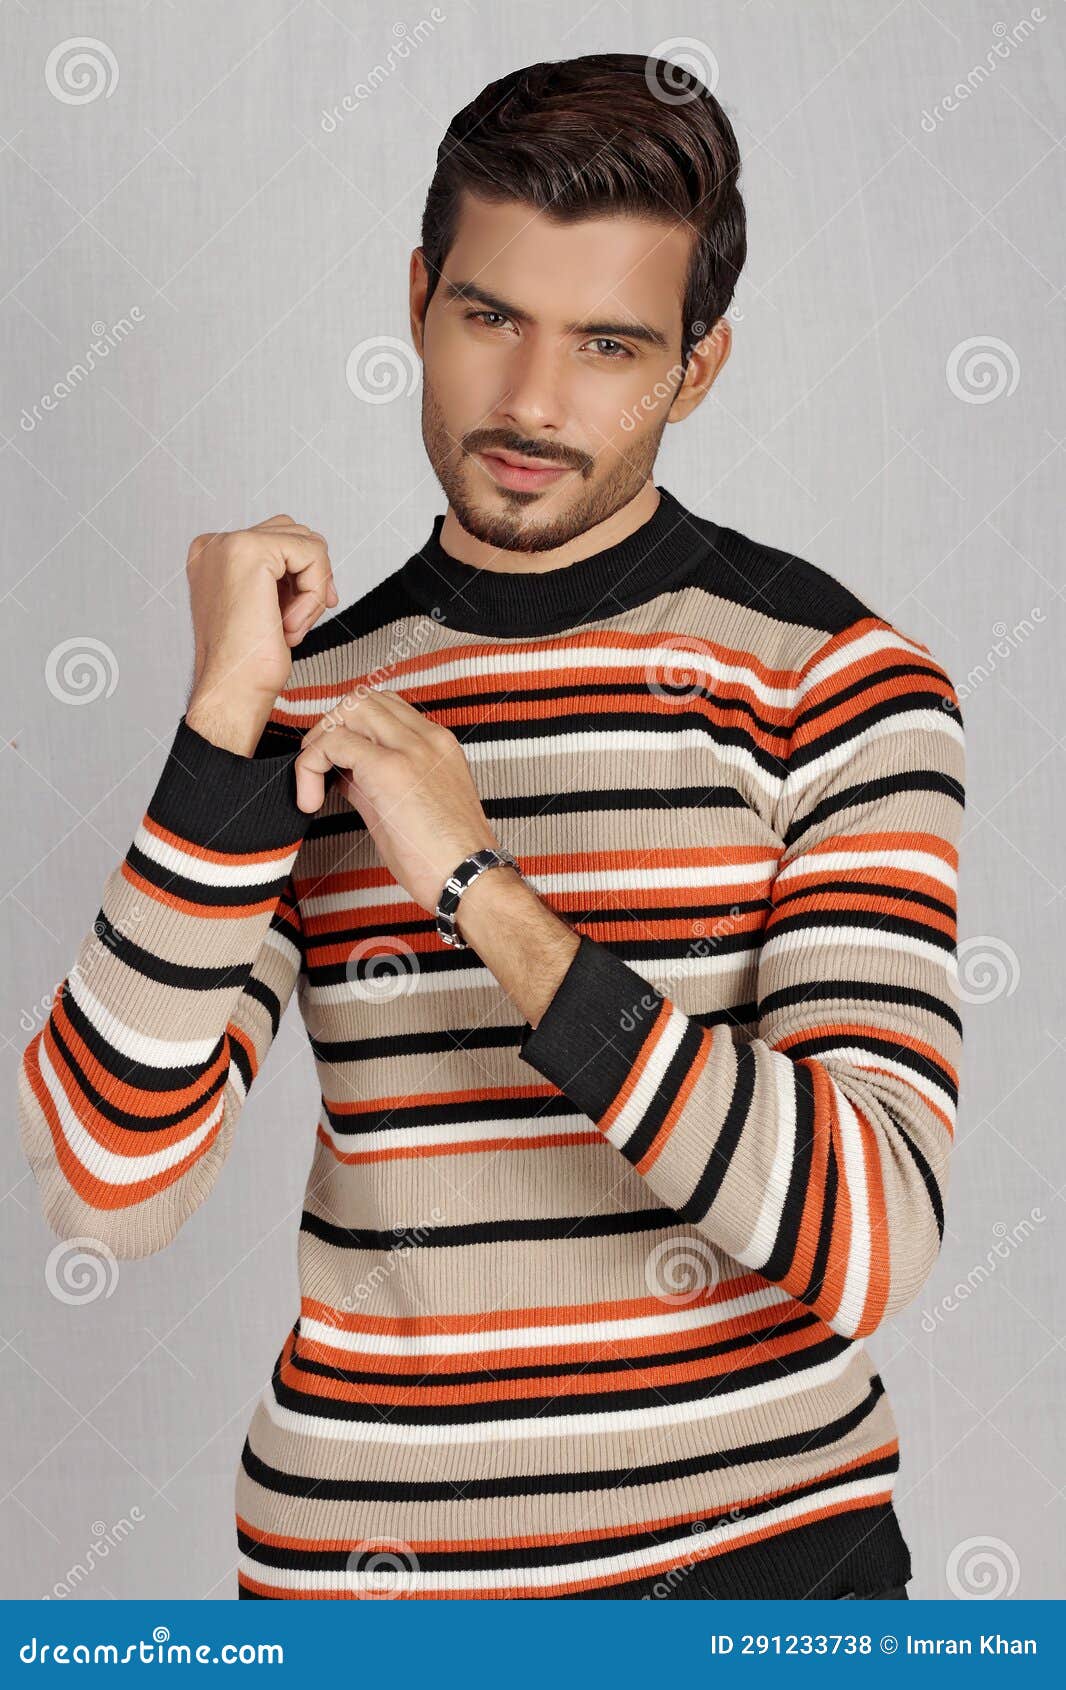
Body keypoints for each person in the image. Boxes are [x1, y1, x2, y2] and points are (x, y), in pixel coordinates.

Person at [18, 53, 962, 1600]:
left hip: (760, 1579)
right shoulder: (308, 703)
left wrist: (474, 880)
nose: (531, 403)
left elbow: (865, 1238)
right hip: (361, 1596)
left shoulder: (834, 685)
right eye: (488, 318)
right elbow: (102, 1191)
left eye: (607, 344)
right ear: (415, 297)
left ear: (695, 367)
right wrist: (217, 735)